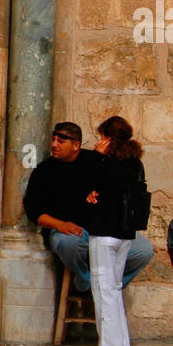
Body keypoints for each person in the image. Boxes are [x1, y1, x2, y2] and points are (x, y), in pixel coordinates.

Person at [23, 121, 153, 299]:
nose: (54, 145)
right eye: (53, 140)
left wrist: (101, 163)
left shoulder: (95, 160)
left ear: (76, 145)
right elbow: (34, 211)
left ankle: (108, 286)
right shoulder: (44, 171)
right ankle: (86, 283)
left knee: (143, 250)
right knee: (68, 244)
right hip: (69, 232)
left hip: (103, 229)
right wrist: (60, 224)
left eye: (61, 141)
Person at [82, 117, 147, 346]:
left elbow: (92, 183)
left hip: (105, 232)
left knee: (103, 288)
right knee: (115, 288)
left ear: (108, 138)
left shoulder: (105, 162)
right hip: (125, 233)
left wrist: (97, 158)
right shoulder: (135, 164)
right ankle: (122, 345)